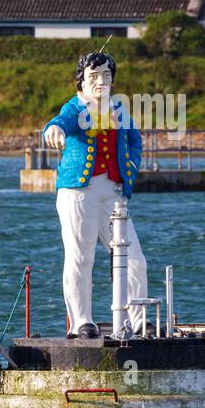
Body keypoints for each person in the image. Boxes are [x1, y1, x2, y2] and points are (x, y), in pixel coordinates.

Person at [42, 51, 148, 338]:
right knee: (80, 256)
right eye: (93, 76)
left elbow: (135, 142)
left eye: (106, 75)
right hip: (79, 191)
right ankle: (81, 321)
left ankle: (138, 320)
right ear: (82, 82)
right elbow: (61, 121)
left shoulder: (120, 110)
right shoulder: (75, 108)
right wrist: (52, 129)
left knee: (133, 258)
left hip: (113, 192)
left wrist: (130, 169)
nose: (100, 81)